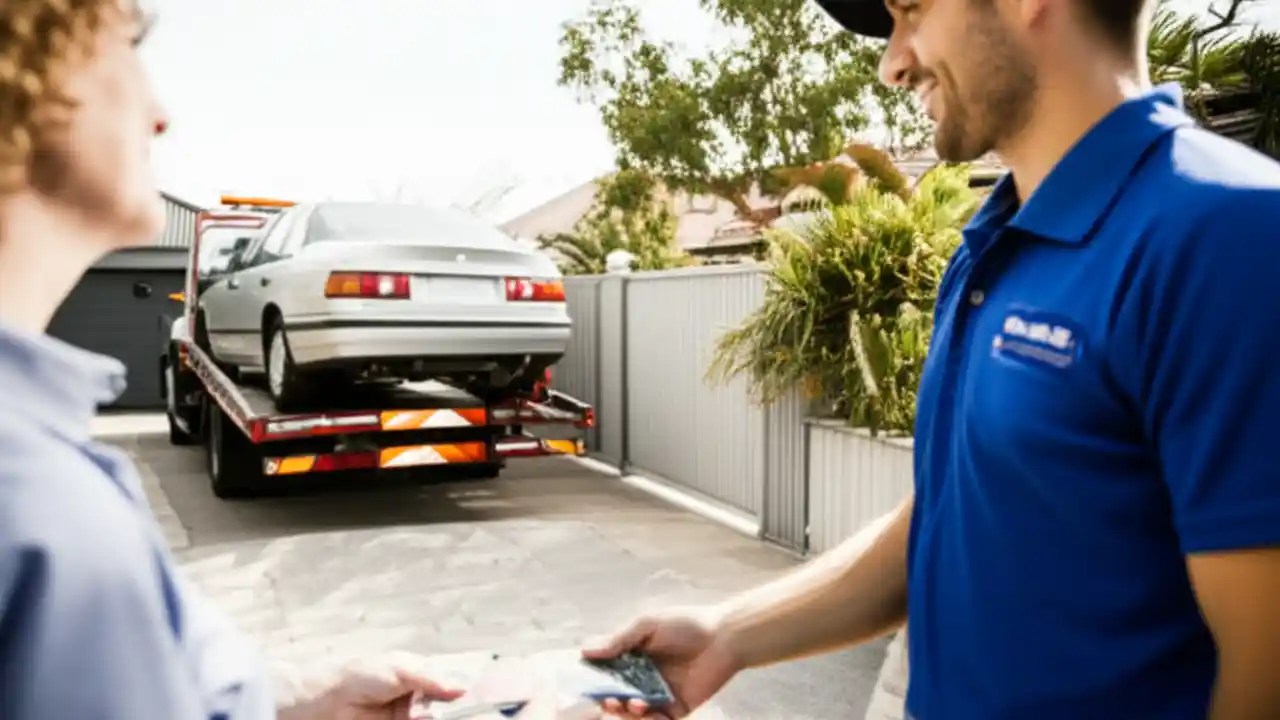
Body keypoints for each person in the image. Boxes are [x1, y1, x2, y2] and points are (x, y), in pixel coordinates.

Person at [583, 0, 1280, 718]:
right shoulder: (992, 247)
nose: (893, 62)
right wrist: (729, 635)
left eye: (911, 10)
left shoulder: (1233, 238)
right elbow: (960, 507)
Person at [0, 2, 581, 719]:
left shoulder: (48, 469)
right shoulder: (33, 501)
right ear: (26, 79)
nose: (159, 114)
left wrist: (304, 699)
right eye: (127, 51)